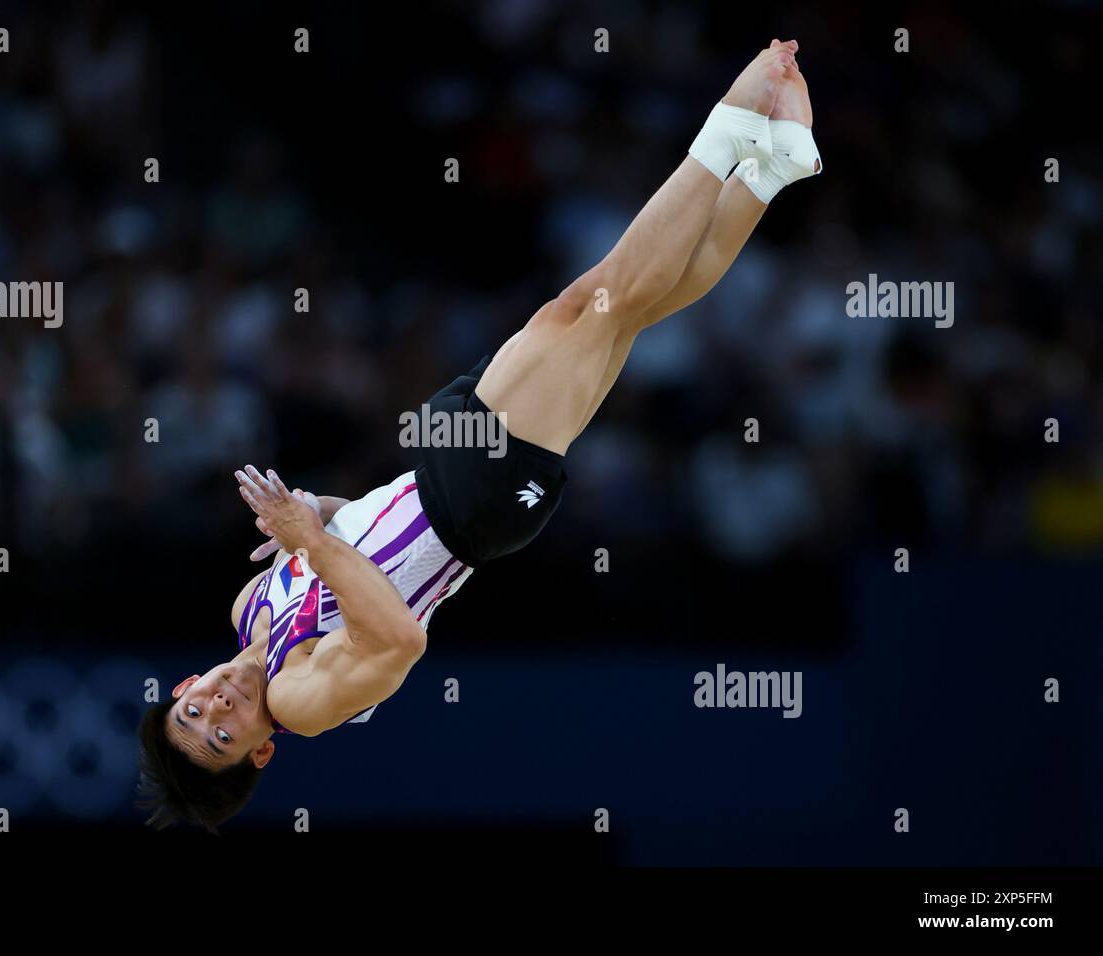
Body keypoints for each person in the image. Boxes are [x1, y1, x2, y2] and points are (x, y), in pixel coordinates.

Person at [138, 39, 821, 830]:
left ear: (184, 685)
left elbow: (357, 539)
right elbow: (397, 640)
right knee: (596, 300)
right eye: (223, 738)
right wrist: (314, 541)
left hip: (435, 474)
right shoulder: (300, 701)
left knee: (629, 310)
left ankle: (773, 167)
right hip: (470, 509)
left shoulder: (248, 609)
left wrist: (317, 513)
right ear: (260, 751)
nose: (218, 710)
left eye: (193, 716)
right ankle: (732, 131)